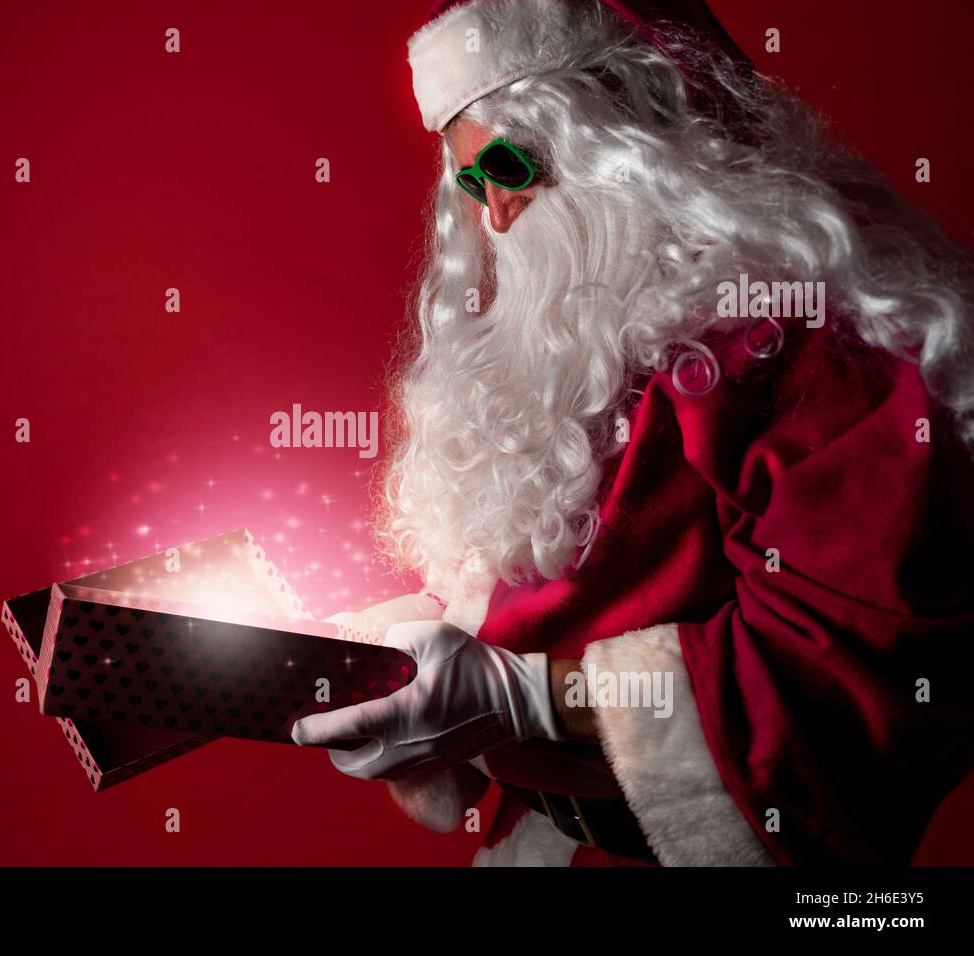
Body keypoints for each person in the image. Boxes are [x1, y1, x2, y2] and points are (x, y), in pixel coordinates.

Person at [291, 0, 974, 866]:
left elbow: (859, 674)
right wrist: (429, 642)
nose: (496, 217)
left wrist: (525, 696)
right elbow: (603, 578)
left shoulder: (815, 330)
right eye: (471, 184)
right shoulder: (580, 332)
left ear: (624, 134)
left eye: (510, 166)